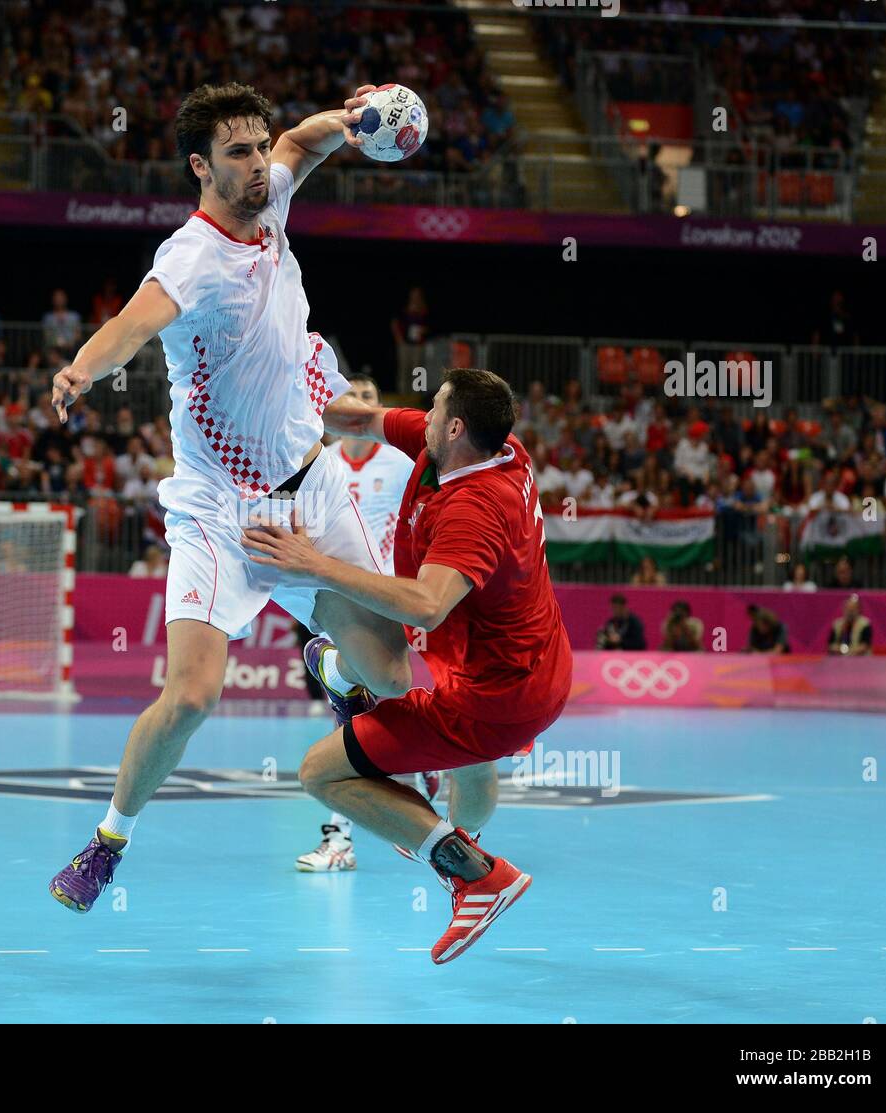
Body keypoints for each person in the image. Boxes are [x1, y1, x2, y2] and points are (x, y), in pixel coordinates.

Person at [47, 82, 414, 914]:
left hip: (311, 490)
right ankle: (107, 841)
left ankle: (325, 655)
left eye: (258, 146)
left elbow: (303, 143)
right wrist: (80, 369)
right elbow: (132, 325)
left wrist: (351, 123)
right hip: (221, 510)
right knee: (191, 696)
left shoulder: (273, 195)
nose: (257, 162)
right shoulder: (191, 256)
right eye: (239, 152)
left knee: (391, 679)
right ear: (201, 167)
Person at [242, 369, 572, 964]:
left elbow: (425, 603)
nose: (422, 414)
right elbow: (360, 419)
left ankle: (473, 874)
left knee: (321, 773)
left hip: (494, 698)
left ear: (455, 427)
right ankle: (455, 842)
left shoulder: (475, 508)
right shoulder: (492, 446)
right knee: (468, 769)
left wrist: (312, 563)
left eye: (435, 406)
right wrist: (272, 415)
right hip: (529, 663)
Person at [297, 372, 424, 873]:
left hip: (397, 600)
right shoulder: (319, 463)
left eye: (372, 398)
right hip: (341, 598)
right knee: (347, 711)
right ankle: (339, 839)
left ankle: (421, 783)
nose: (363, 405)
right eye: (355, 396)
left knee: (401, 700)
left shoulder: (398, 462)